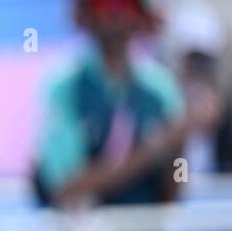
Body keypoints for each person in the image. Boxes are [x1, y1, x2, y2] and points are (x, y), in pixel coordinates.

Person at [34, 0, 222, 206]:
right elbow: (65, 185)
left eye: (125, 6)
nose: (115, 15)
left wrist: (182, 137)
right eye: (103, 6)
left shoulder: (161, 89)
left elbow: (174, 191)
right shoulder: (66, 86)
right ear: (86, 15)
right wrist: (159, 144)